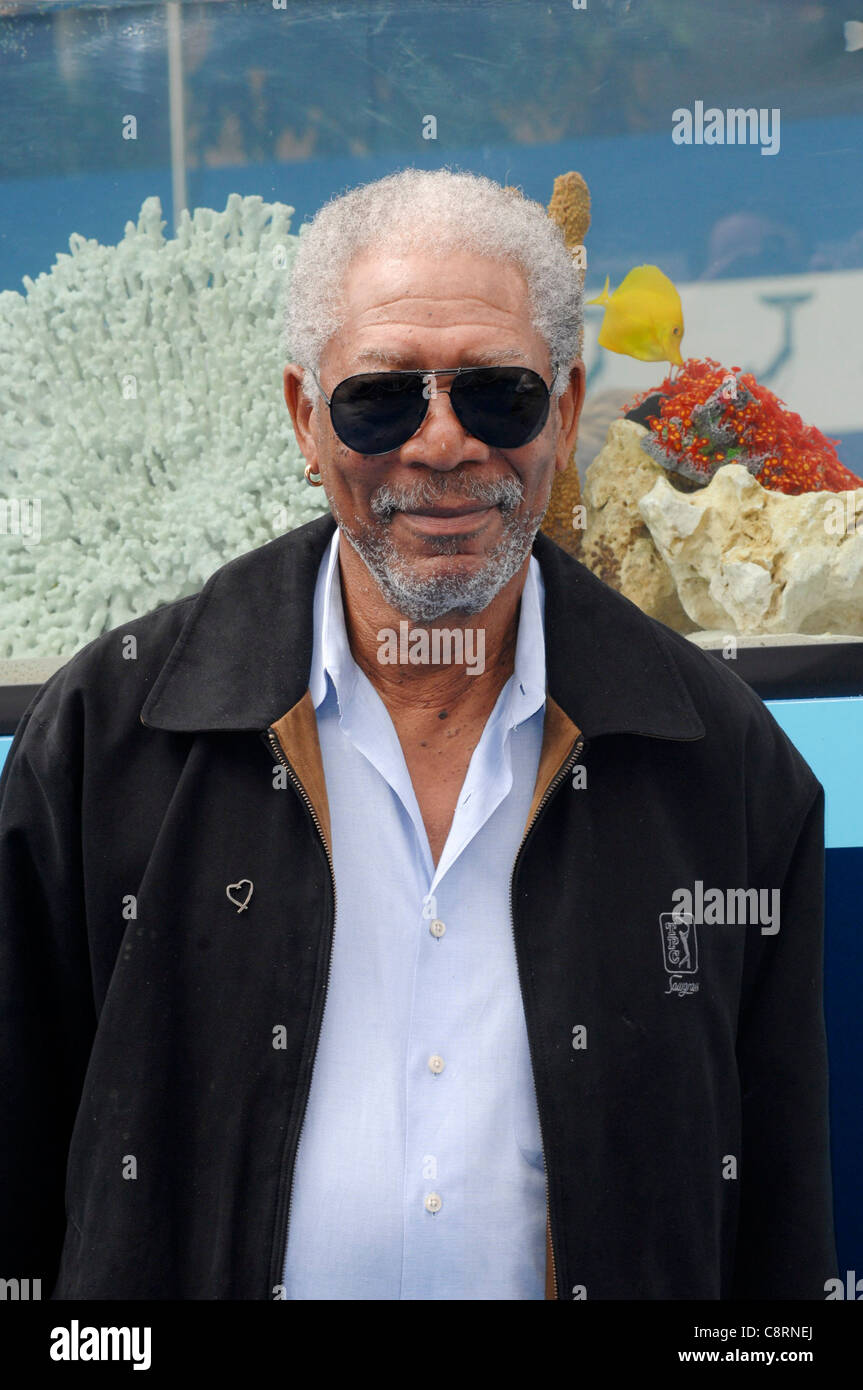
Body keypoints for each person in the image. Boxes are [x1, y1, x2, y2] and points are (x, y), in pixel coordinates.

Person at [0, 169, 836, 1300]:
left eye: (498, 396)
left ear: (569, 410)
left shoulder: (724, 765)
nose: (442, 445)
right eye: (381, 400)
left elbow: (775, 1231)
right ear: (304, 415)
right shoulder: (107, 739)